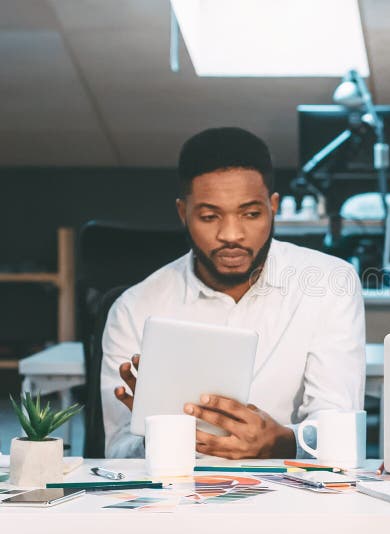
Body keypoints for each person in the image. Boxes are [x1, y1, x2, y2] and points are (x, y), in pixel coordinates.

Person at [101, 127, 366, 459]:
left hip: (292, 497)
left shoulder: (329, 283)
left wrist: (283, 442)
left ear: (273, 207)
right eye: (210, 216)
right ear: (184, 213)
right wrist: (156, 439)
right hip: (177, 499)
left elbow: (340, 430)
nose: (231, 234)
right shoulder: (134, 309)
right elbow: (118, 453)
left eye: (251, 214)